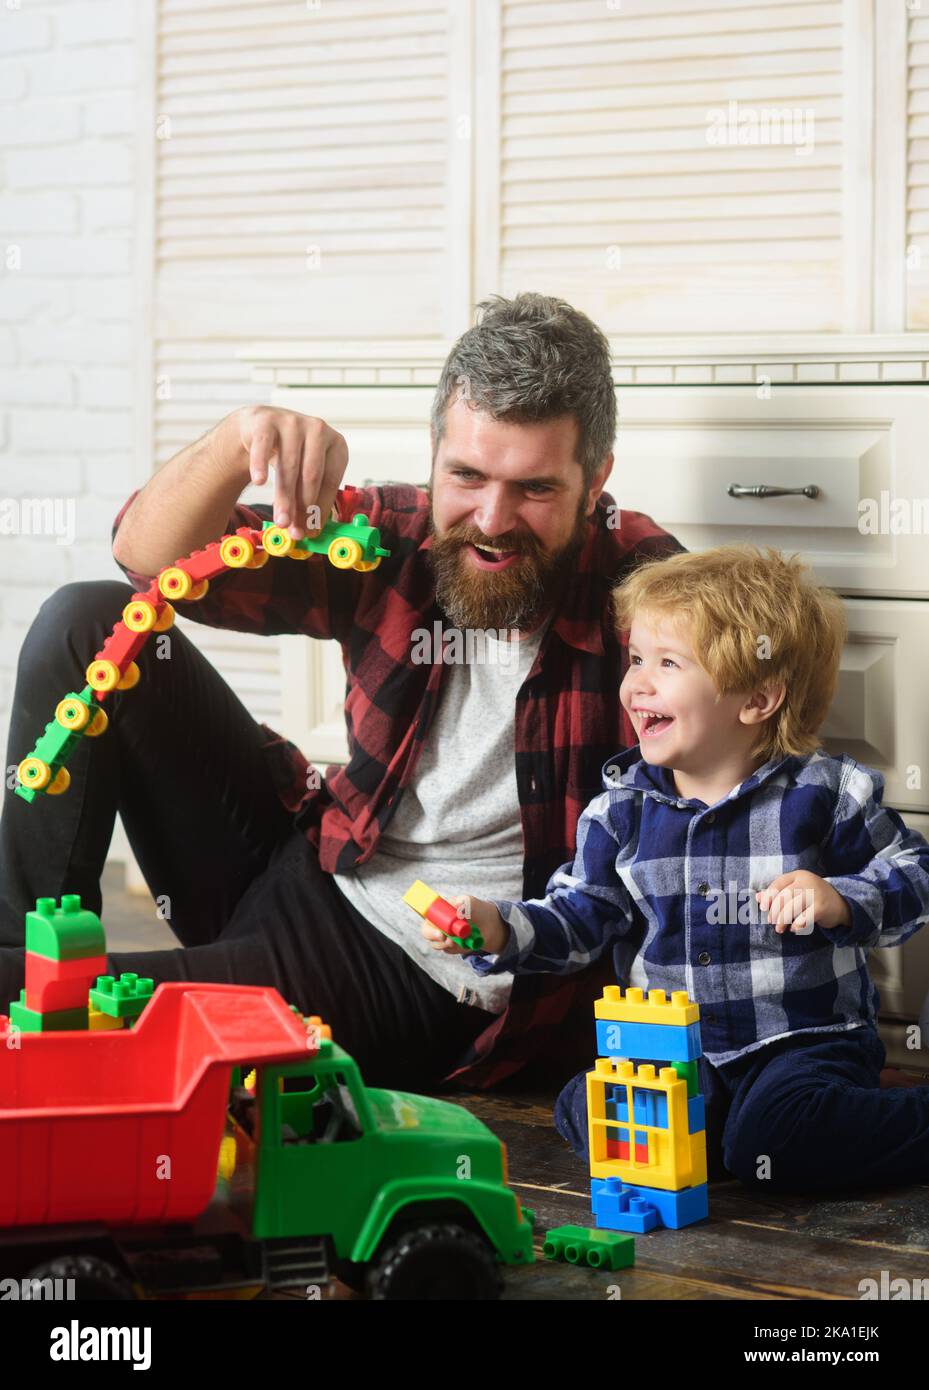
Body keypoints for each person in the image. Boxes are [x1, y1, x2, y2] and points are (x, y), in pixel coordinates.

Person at [0, 293, 683, 1093]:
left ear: (594, 476)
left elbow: (723, 800)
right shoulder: (396, 534)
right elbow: (147, 556)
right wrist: (233, 442)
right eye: (466, 475)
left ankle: (28, 1015)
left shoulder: (648, 593)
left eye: (533, 488)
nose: (491, 519)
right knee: (90, 620)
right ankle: (26, 955)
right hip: (322, 862)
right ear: (435, 454)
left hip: (419, 968)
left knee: (119, 1018)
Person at [422, 544, 929, 1188]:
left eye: (667, 663)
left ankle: (782, 1132)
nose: (637, 683)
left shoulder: (826, 795)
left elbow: (915, 872)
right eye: (635, 659)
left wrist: (840, 898)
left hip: (801, 1040)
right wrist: (497, 928)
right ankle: (722, 1130)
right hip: (674, 1052)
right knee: (589, 1109)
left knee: (777, 1136)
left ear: (758, 699)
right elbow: (579, 918)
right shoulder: (622, 812)